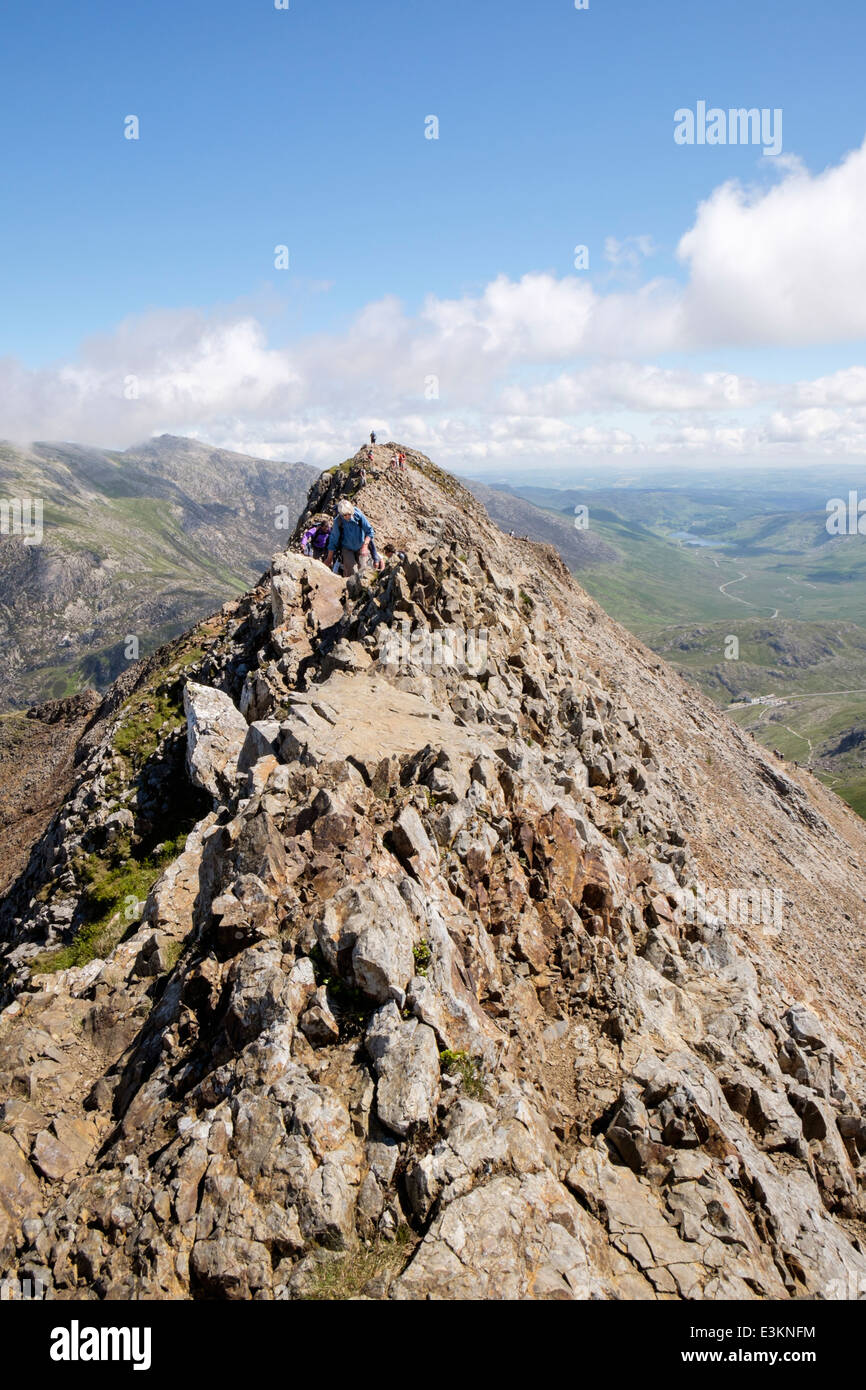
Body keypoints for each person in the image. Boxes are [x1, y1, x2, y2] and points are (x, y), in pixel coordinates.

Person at [326, 498, 374, 576]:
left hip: (360, 546)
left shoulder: (358, 516)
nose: (348, 516)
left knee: (363, 570)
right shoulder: (338, 521)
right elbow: (333, 540)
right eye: (345, 515)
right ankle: (351, 586)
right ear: (341, 514)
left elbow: (370, 531)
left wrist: (365, 546)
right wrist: (329, 558)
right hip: (347, 549)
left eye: (350, 514)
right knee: (352, 572)